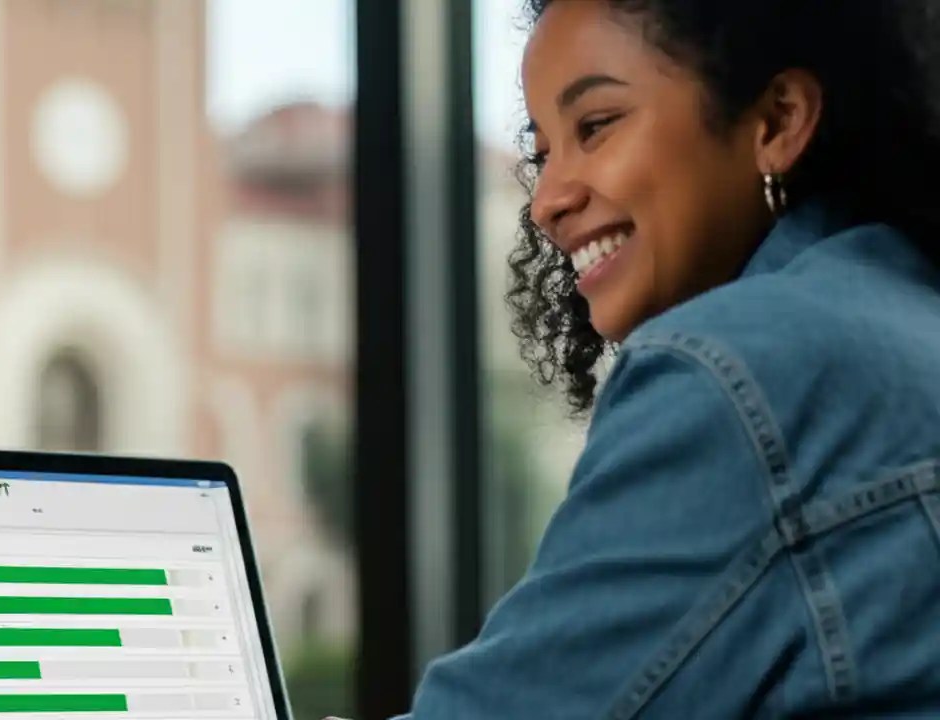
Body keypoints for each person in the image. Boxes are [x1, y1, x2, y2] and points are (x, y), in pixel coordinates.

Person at [343, 0, 940, 717]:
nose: (546, 203)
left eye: (595, 126)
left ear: (778, 120)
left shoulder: (745, 367)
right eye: (543, 153)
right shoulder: (906, 307)